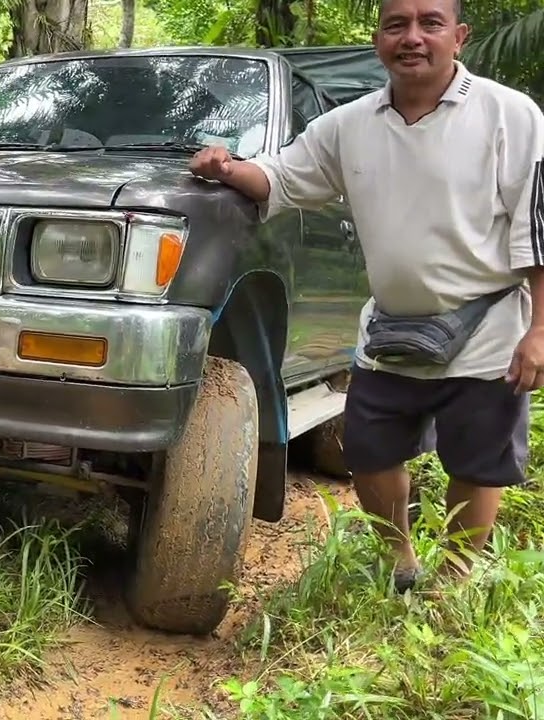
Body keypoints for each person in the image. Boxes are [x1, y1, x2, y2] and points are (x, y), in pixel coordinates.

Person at [187, 0, 544, 592]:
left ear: (460, 35)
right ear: (377, 38)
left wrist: (539, 332)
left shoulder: (511, 116)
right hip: (391, 327)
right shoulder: (350, 124)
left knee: (477, 462)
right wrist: (226, 168)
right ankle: (401, 564)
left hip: (491, 326)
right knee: (369, 448)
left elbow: (538, 228)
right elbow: (281, 176)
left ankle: (451, 581)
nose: (412, 37)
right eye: (395, 24)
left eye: (430, 23)